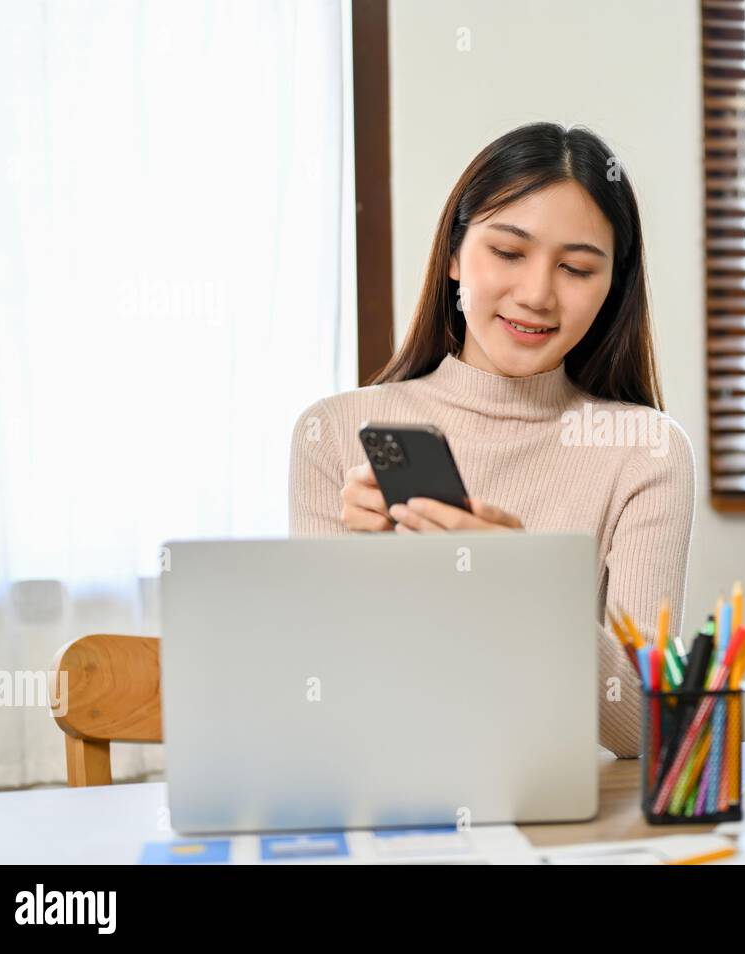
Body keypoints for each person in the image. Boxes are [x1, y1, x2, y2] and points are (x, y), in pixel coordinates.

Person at [289, 123, 696, 758]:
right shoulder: (333, 433)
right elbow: (314, 702)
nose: (537, 294)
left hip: (556, 819)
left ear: (612, 285)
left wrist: (526, 588)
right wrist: (365, 566)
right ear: (454, 255)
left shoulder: (644, 450)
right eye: (508, 253)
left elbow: (649, 731)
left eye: (577, 268)